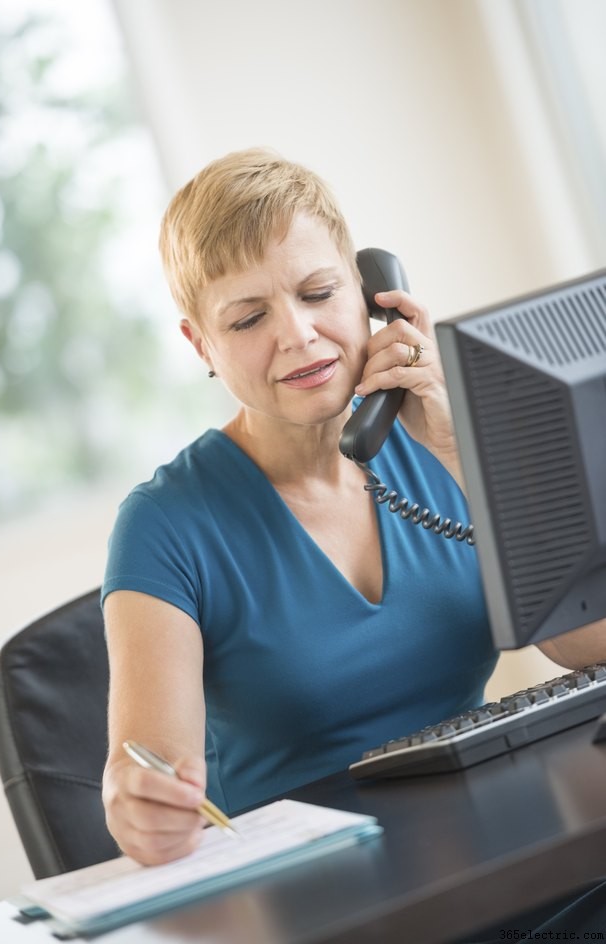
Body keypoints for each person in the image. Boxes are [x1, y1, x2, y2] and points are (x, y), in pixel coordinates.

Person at [101, 147, 606, 869]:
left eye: (317, 293)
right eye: (248, 319)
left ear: (370, 294)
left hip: (501, 847)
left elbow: (589, 647)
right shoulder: (165, 523)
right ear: (199, 341)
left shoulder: (445, 439)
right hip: (321, 892)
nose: (298, 334)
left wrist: (463, 455)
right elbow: (146, 768)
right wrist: (141, 802)